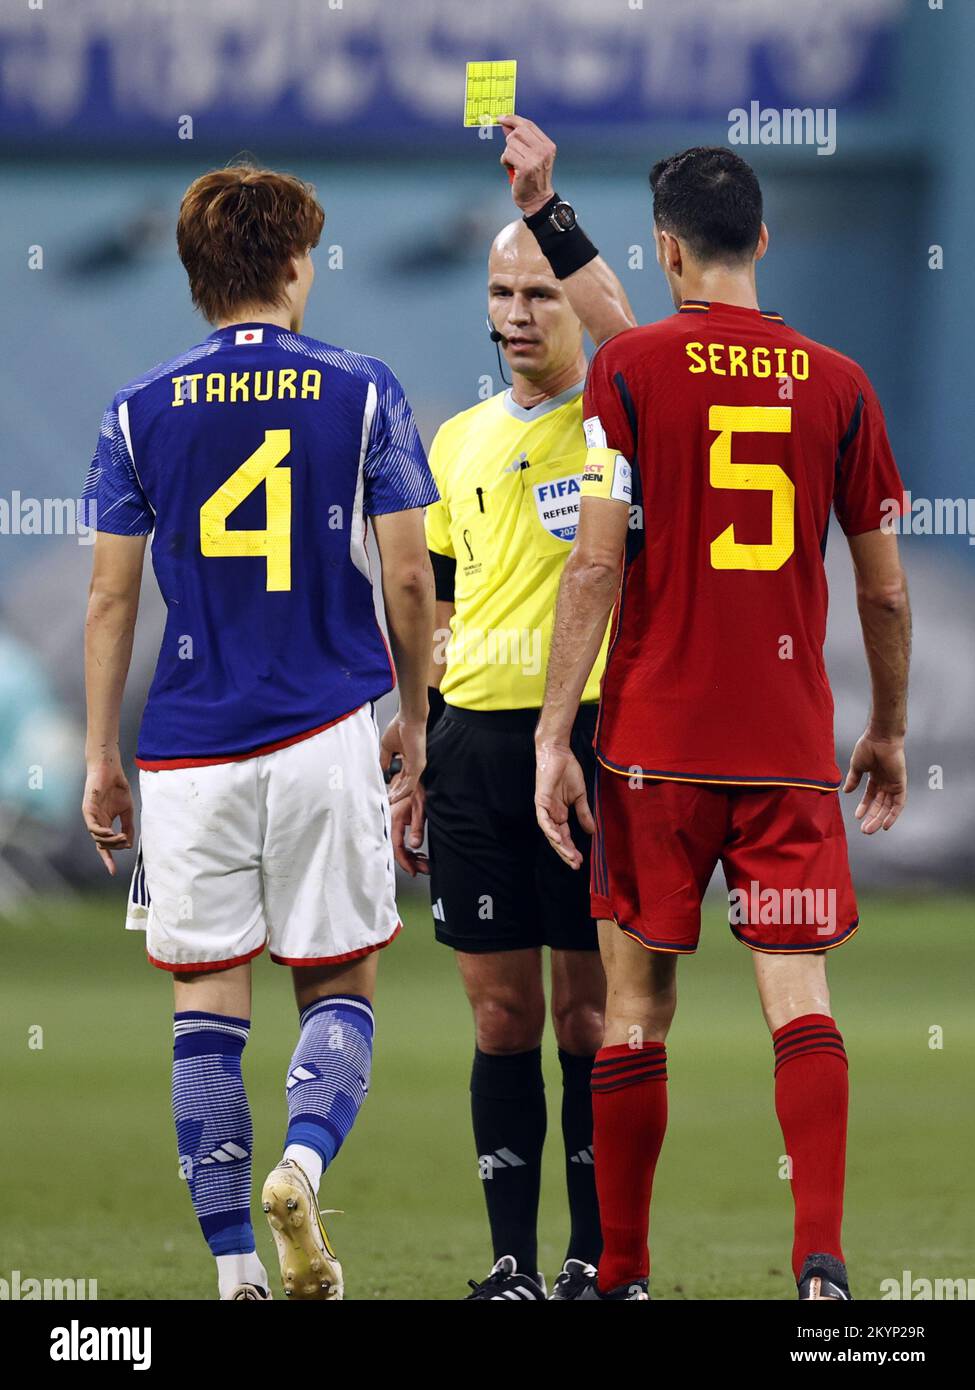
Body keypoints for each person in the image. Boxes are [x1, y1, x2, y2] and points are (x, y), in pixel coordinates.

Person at [504, 119, 911, 1300]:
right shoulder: (840, 385)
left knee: (635, 1009)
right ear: (764, 240)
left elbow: (594, 566)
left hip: (652, 746)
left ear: (671, 253)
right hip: (785, 747)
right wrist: (885, 727)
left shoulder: (627, 372)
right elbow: (883, 585)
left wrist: (551, 731)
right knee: (801, 996)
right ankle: (822, 1265)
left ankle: (622, 1271)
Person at [80, 164, 437, 1301]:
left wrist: (99, 758)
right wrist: (415, 719)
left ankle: (236, 1271)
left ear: (195, 276)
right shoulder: (362, 389)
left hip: (190, 749)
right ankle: (301, 1161)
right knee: (339, 988)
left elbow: (110, 601)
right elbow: (410, 573)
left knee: (205, 1012)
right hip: (327, 728)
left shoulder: (135, 411)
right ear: (293, 265)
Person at [392, 207, 636, 1299]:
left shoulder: (618, 427)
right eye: (502, 294)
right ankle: (512, 1264)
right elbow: (436, 605)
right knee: (501, 1015)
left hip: (586, 743)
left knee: (589, 1015)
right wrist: (418, 747)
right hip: (474, 752)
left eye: (539, 292)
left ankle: (596, 1257)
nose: (518, 314)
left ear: (574, 298)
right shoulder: (458, 441)